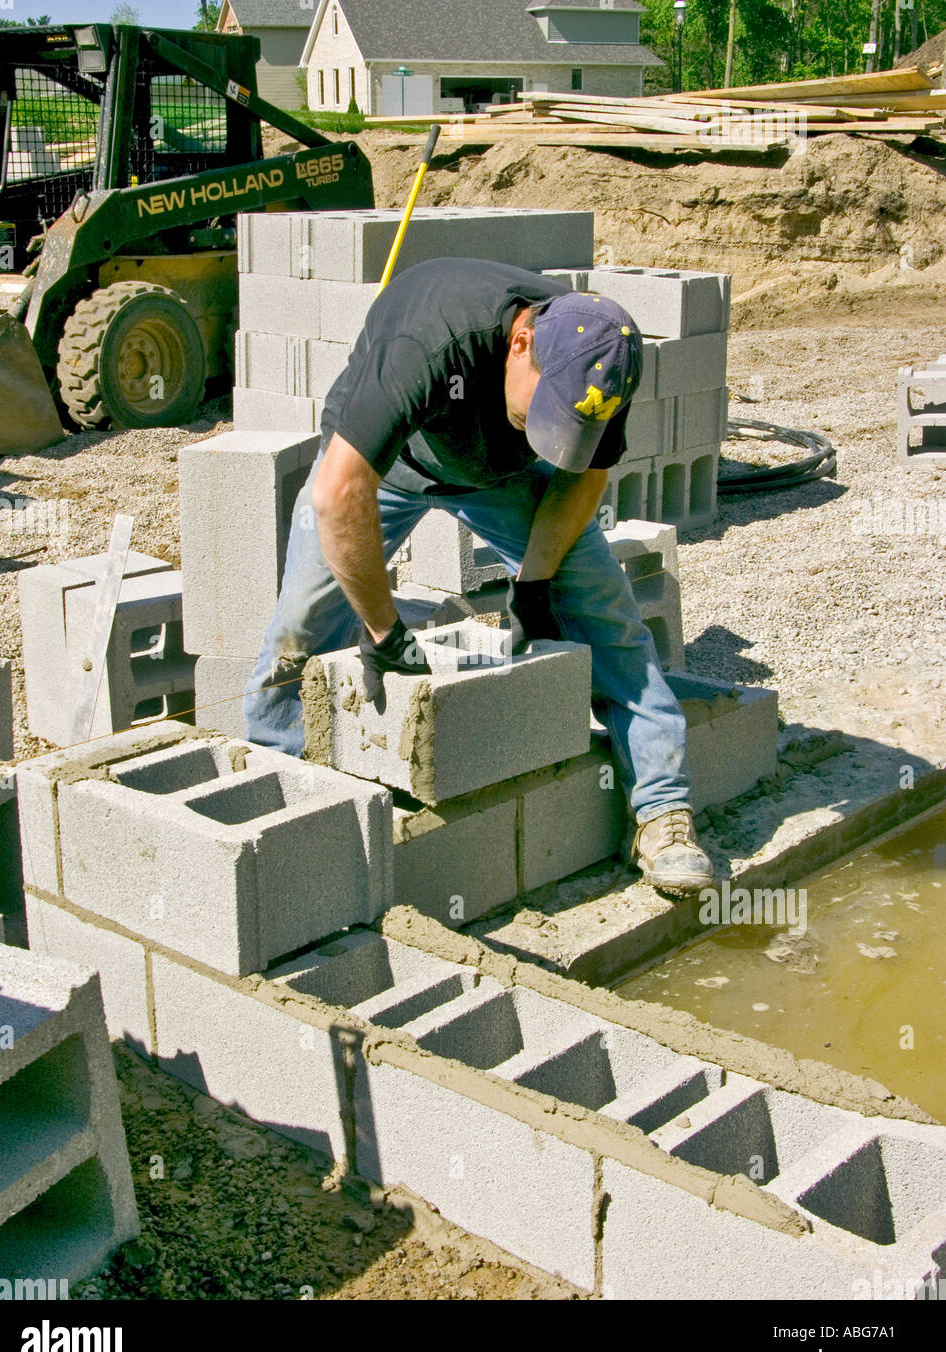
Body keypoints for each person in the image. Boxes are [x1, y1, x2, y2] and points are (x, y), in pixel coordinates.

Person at [243, 257, 714, 896]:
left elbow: (586, 475)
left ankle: (661, 811)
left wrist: (537, 582)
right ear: (520, 344)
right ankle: (278, 804)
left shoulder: (604, 357)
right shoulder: (431, 339)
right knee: (299, 631)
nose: (553, 431)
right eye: (543, 414)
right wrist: (384, 631)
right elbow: (339, 493)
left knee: (609, 618)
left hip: (500, 477)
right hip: (392, 464)